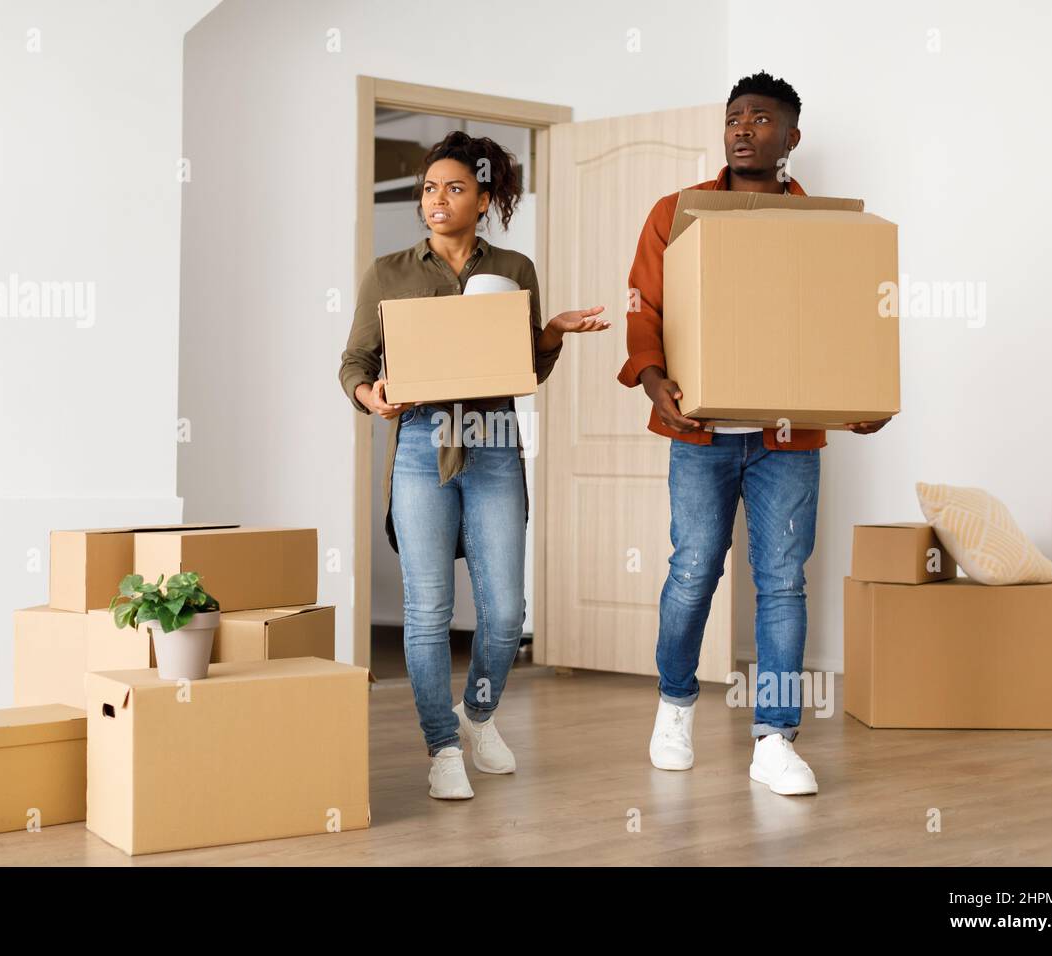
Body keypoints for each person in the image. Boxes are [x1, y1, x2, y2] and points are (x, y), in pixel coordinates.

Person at [619, 71, 890, 795]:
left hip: (787, 438)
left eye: (762, 118)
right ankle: (675, 705)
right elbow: (644, 308)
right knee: (692, 572)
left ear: (791, 138)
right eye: (735, 116)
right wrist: (653, 379)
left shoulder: (828, 227)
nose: (743, 127)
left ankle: (774, 737)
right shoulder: (677, 213)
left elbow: (848, 323)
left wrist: (863, 395)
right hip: (701, 432)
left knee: (781, 582)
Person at [340, 131, 607, 799]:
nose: (438, 199)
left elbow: (525, 369)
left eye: (455, 188)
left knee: (506, 612)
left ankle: (477, 715)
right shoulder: (388, 272)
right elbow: (355, 364)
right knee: (427, 609)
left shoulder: (514, 269)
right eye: (429, 188)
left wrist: (552, 334)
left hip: (492, 439)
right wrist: (369, 395)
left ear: (485, 198)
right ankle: (441, 747)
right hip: (421, 443)